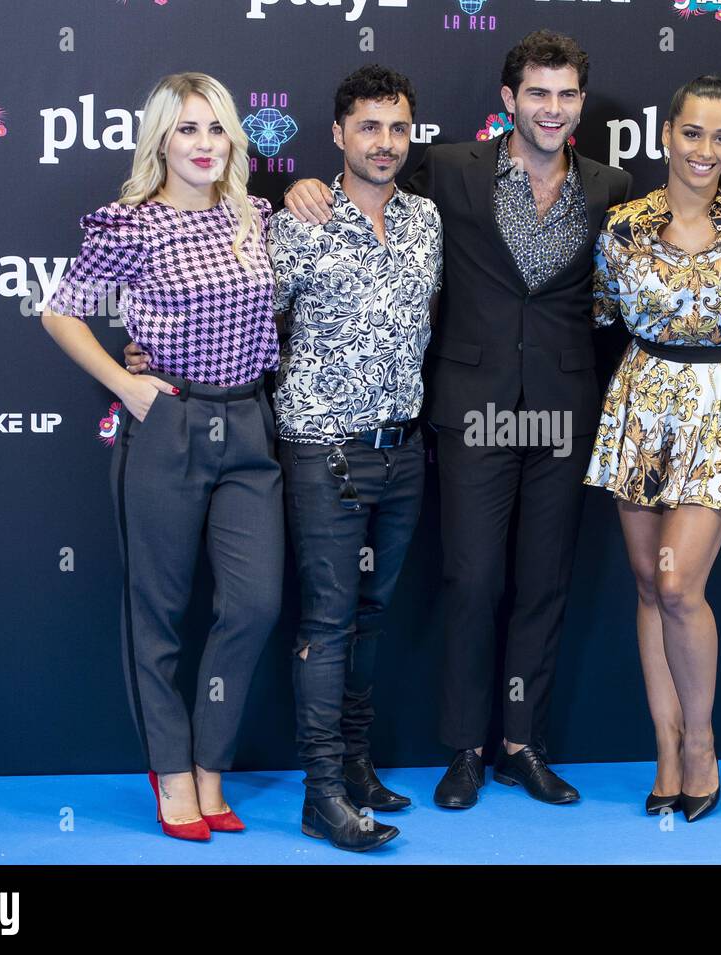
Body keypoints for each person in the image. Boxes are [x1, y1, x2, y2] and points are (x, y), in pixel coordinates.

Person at [41, 72, 282, 841]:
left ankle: (213, 765)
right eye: (187, 130)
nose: (204, 145)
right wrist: (126, 384)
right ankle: (173, 774)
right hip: (169, 422)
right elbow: (60, 310)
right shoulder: (129, 225)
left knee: (252, 604)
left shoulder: (254, 214)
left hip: (248, 423)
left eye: (216, 129)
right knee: (159, 615)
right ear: (161, 141)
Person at [586, 76, 721, 823]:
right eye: (694, 133)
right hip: (644, 405)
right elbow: (605, 309)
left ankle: (701, 743)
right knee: (646, 584)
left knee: (677, 587)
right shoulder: (623, 226)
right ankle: (665, 749)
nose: (706, 150)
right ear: (666, 135)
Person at [268, 65, 441, 851]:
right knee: (329, 621)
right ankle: (321, 789)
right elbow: (249, 320)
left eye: (397, 127)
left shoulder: (426, 221)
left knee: (371, 618)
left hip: (402, 447)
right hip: (321, 448)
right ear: (339, 134)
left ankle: (360, 768)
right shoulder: (300, 219)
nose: (384, 142)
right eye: (368, 127)